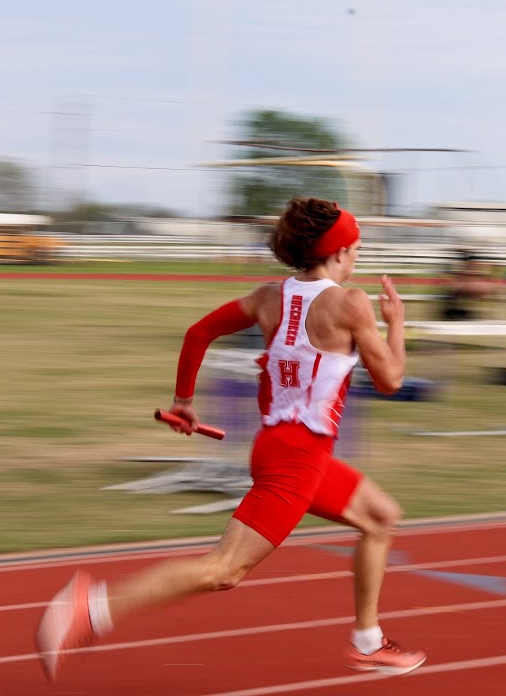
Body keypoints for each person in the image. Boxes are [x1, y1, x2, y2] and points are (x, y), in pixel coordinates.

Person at [36, 197, 426, 681]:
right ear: (341, 251)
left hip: (280, 447)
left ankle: (367, 641)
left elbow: (199, 332)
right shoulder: (351, 303)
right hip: (298, 459)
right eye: (358, 248)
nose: (359, 258)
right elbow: (390, 380)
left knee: (379, 517)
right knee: (223, 571)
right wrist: (398, 324)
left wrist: (183, 401)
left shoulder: (267, 297)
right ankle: (90, 609)